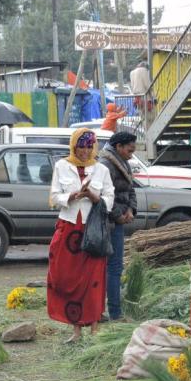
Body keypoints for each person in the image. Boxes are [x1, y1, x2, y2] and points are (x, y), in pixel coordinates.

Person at [47, 129, 115, 343]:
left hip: (93, 231)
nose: (85, 151)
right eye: (81, 146)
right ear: (74, 145)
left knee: (94, 280)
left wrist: (95, 198)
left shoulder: (101, 170)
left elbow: (110, 198)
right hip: (68, 230)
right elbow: (54, 196)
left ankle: (94, 328)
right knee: (67, 277)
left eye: (89, 146)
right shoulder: (61, 166)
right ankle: (76, 330)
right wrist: (73, 196)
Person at [99, 131, 138, 322]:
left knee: (113, 267)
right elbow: (104, 196)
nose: (131, 155)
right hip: (108, 223)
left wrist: (131, 209)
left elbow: (131, 189)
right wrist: (118, 216)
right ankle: (114, 313)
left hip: (119, 220)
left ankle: (108, 310)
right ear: (118, 147)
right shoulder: (105, 165)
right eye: (129, 150)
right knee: (113, 267)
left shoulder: (123, 162)